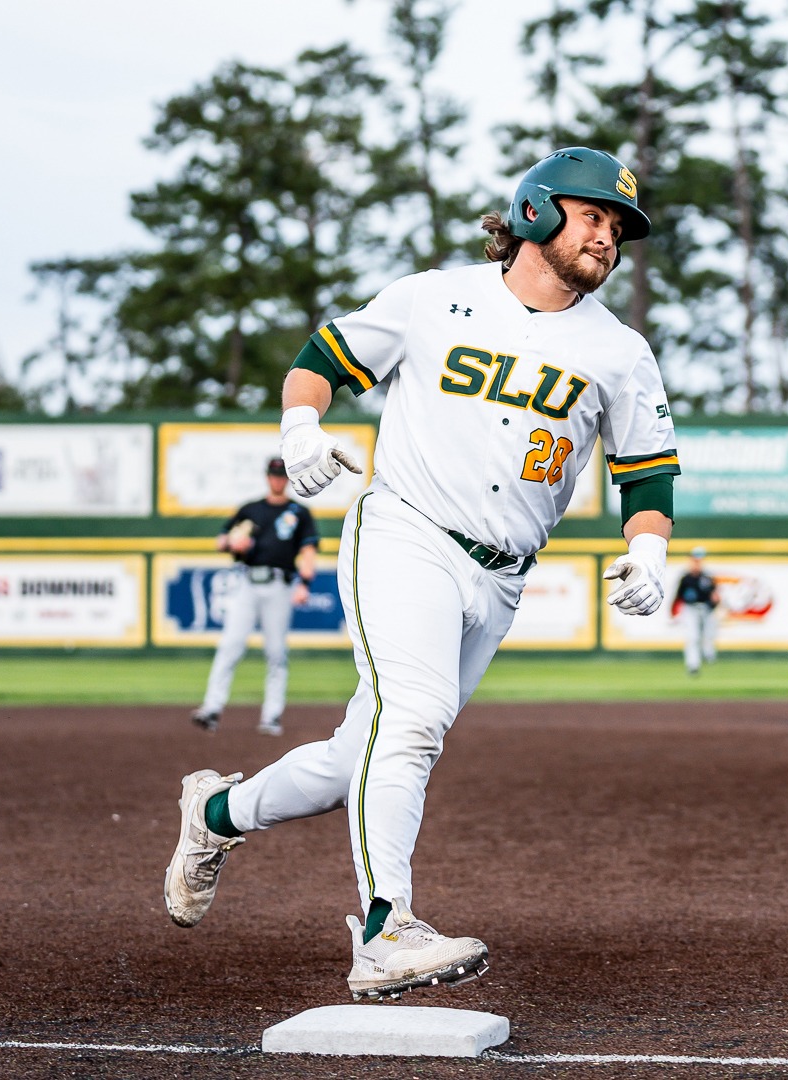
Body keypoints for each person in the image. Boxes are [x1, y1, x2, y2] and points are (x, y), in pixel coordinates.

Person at [163, 147, 679, 1002]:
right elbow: (319, 361)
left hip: (503, 575)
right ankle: (384, 928)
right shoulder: (433, 297)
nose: (608, 238)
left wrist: (651, 544)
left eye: (618, 228)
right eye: (593, 215)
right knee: (415, 720)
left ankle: (214, 815)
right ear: (536, 212)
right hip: (407, 531)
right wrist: (300, 429)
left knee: (354, 756)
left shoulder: (620, 350)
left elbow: (648, 470)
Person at [189, 457, 319, 737]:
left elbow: (308, 551)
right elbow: (220, 541)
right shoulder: (250, 510)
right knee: (230, 645)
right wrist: (231, 543)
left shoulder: (298, 512)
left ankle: (271, 716)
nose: (277, 480)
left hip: (279, 584)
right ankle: (211, 709)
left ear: (287, 479)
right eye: (274, 475)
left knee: (275, 652)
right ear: (267, 477)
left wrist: (304, 583)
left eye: (282, 475)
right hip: (247, 582)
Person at [672, 545, 720, 675]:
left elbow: (716, 597)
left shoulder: (707, 577)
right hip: (691, 609)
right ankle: (693, 664)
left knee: (709, 636)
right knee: (692, 637)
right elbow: (678, 596)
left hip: (706, 609)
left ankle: (709, 655)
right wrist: (673, 612)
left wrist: (714, 601)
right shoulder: (686, 579)